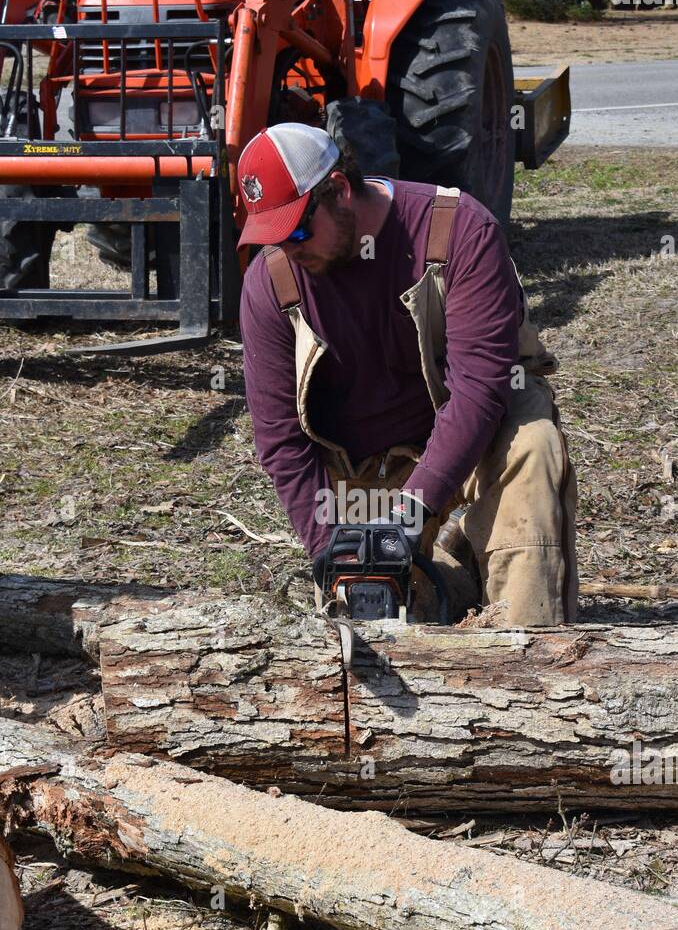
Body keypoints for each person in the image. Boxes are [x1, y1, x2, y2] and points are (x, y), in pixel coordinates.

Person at [236, 122, 577, 626]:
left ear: (339, 190)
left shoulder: (458, 230)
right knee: (373, 615)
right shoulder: (271, 283)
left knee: (533, 444)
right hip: (366, 471)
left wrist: (409, 516)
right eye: (272, 238)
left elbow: (479, 392)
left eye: (297, 232)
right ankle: (454, 578)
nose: (287, 251)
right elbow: (281, 440)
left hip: (474, 440)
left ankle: (530, 655)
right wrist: (333, 549)